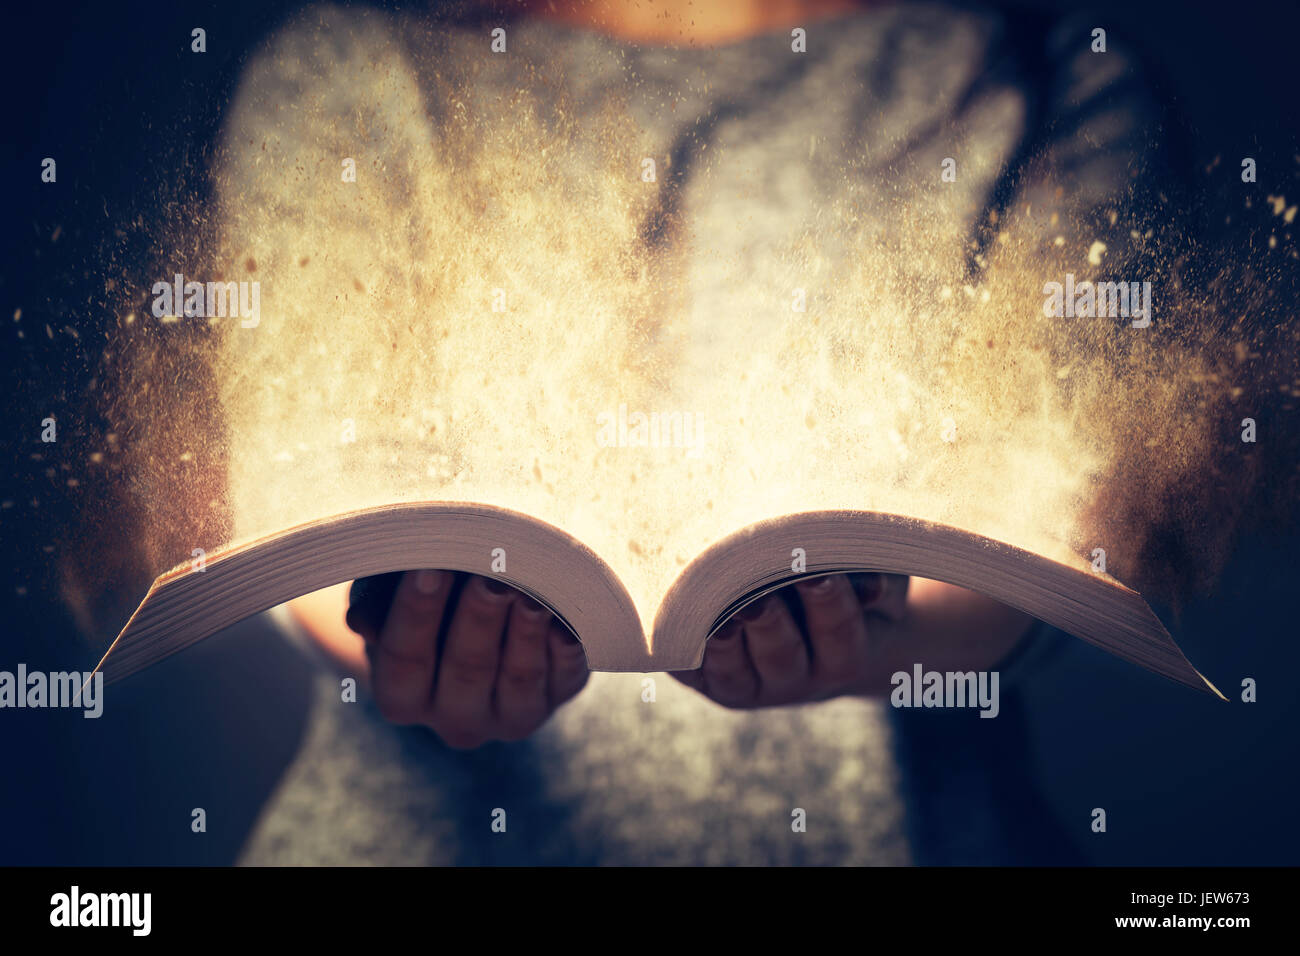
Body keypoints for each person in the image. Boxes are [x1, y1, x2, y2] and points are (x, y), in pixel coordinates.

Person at [213, 0, 1188, 864]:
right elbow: (304, 491)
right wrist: (411, 618)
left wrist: (878, 628)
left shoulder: (1058, 74)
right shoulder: (349, 66)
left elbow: (1061, 519)